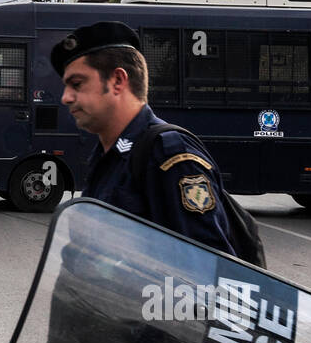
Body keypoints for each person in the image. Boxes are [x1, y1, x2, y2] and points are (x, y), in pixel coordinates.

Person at [53, 21, 236, 257]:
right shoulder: (106, 156)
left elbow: (207, 271)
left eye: (77, 84)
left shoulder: (169, 155)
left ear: (118, 81)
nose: (65, 98)